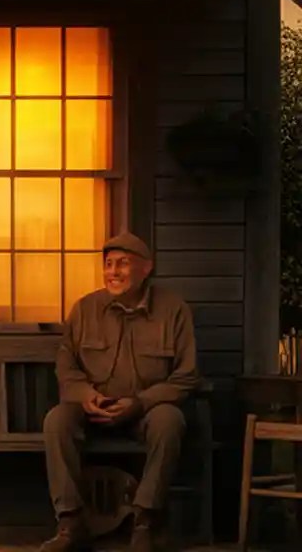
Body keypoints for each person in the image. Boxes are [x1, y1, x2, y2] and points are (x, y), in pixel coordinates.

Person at [39, 232, 200, 552]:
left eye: (123, 264)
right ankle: (71, 523)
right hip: (92, 409)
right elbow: (66, 365)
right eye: (109, 264)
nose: (113, 271)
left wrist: (140, 403)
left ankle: (145, 521)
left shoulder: (174, 310)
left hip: (146, 412)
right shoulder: (85, 309)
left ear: (146, 268)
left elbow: (186, 375)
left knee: (170, 420)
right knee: (56, 420)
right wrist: (85, 396)